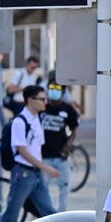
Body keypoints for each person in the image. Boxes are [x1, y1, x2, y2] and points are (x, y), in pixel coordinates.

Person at [0, 85, 59, 222]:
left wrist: (42, 169)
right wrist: (46, 168)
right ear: (30, 100)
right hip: (23, 174)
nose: (45, 102)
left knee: (49, 214)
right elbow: (22, 151)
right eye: (42, 99)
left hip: (36, 175)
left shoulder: (36, 119)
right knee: (11, 214)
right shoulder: (19, 122)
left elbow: (36, 149)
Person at [40, 79, 80, 211]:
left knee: (64, 188)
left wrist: (67, 146)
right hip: (43, 157)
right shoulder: (42, 107)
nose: (54, 91)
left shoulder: (67, 109)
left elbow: (73, 131)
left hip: (61, 157)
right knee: (43, 189)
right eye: (51, 88)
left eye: (57, 89)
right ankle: (48, 214)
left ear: (63, 92)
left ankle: (62, 217)